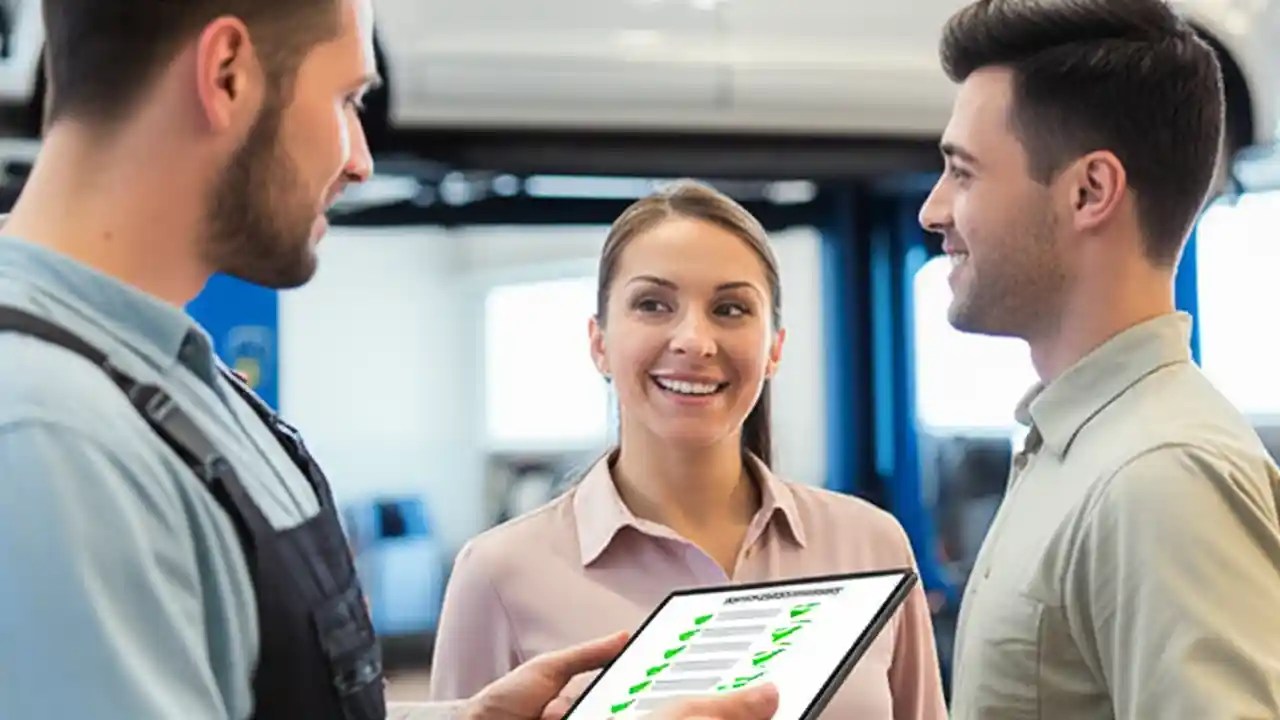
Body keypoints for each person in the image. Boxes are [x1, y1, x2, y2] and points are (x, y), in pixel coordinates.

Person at [0, 1, 778, 719]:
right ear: (227, 75)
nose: (362, 160)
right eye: (347, 101)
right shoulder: (51, 438)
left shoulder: (162, 375)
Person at [428, 180, 948, 719]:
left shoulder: (871, 546)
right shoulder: (500, 574)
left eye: (730, 309)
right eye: (653, 305)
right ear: (599, 342)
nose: (694, 340)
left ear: (774, 348)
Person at [919, 0, 1280, 717]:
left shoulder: (1161, 475)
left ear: (1090, 191)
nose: (933, 209)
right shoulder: (1079, 448)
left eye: (963, 174)